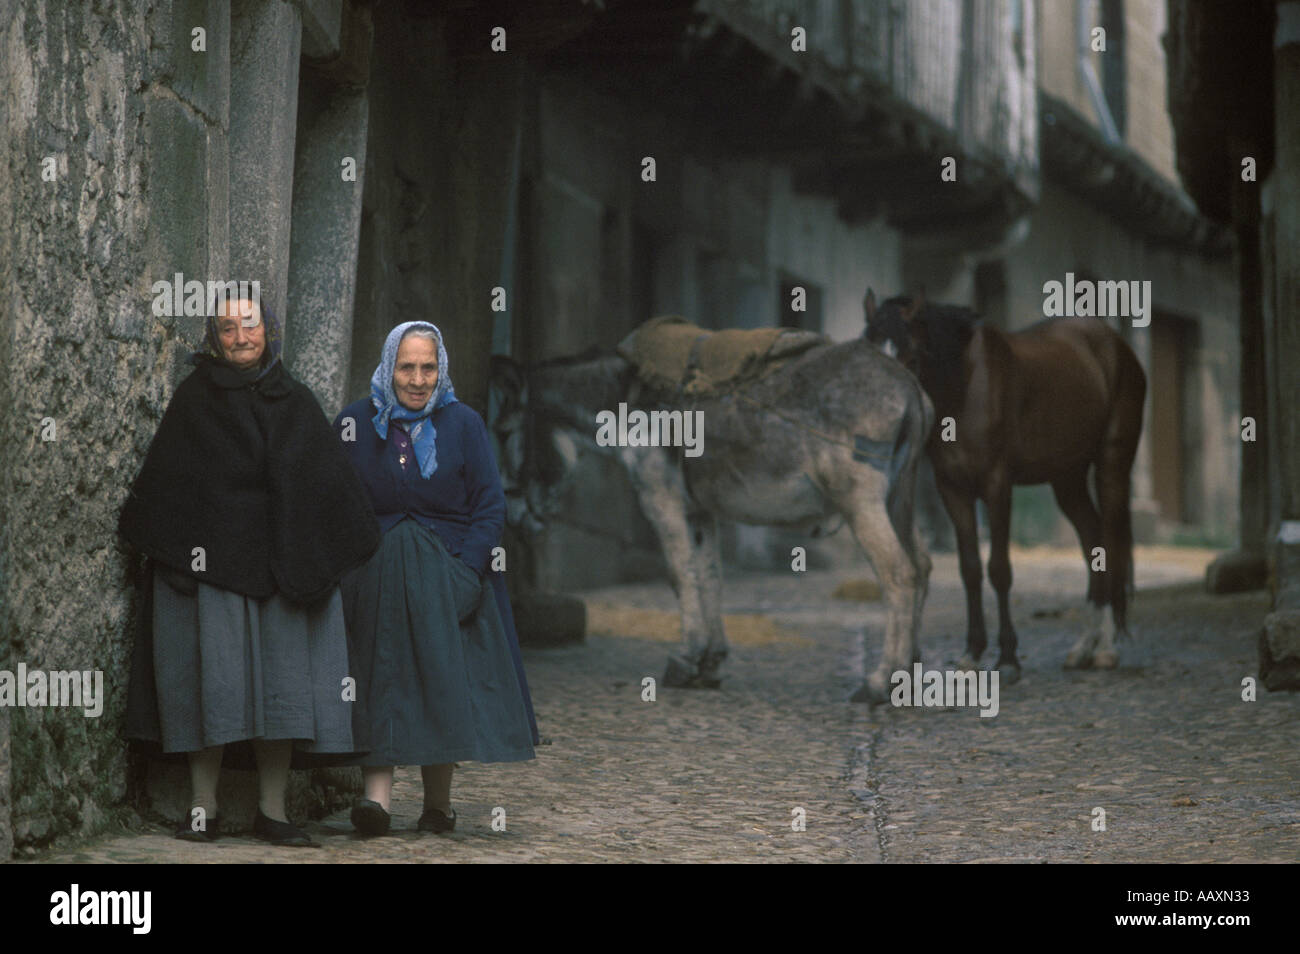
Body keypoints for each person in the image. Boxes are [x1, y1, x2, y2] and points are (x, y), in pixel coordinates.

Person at [120, 294, 381, 846]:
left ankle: (273, 811)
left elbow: (325, 483)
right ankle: (202, 808)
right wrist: (180, 556)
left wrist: (313, 553)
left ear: (270, 328)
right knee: (212, 690)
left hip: (283, 574)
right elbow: (169, 483)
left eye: (250, 324)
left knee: (283, 695)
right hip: (215, 572)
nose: (241, 337)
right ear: (214, 336)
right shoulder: (195, 400)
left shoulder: (295, 399)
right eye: (228, 328)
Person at [335, 321, 536, 837]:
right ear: (388, 366)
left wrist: (468, 572)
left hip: (448, 573)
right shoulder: (356, 423)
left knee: (439, 680)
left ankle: (437, 804)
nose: (418, 379)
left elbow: (490, 506)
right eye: (407, 367)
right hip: (375, 579)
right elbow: (330, 503)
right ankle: (375, 801)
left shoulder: (463, 423)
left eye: (428, 367)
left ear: (440, 368)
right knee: (379, 679)